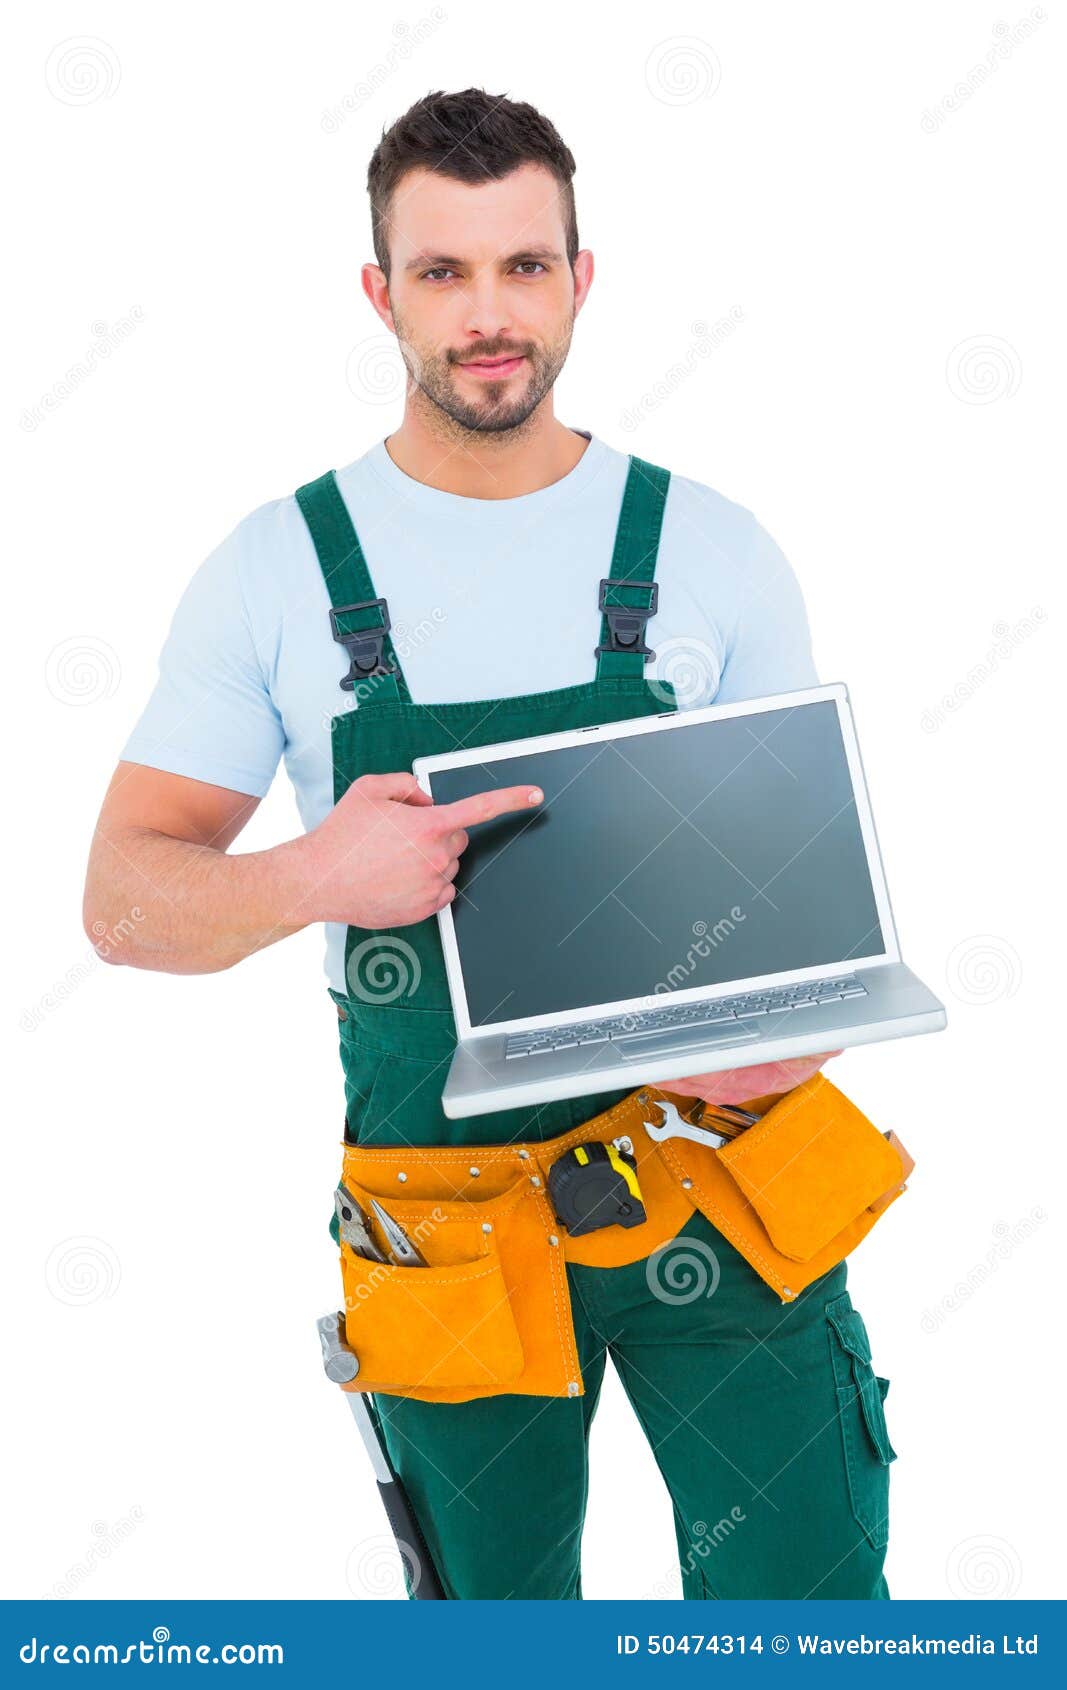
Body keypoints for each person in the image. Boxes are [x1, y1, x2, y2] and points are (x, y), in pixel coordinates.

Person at [84, 88, 892, 1600]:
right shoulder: (276, 571)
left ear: (581, 277)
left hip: (719, 1172)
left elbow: (807, 902)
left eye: (525, 265)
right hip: (448, 1223)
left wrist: (793, 1031)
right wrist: (314, 874)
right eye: (443, 274)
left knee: (809, 1612)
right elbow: (123, 902)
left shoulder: (713, 547)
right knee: (490, 1637)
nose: (489, 314)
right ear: (381, 296)